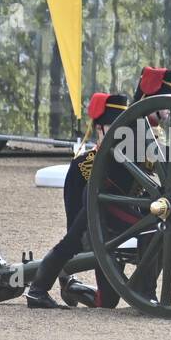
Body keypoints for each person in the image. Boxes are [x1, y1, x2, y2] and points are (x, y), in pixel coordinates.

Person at [26, 92, 129, 309]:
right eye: (112, 127)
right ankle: (37, 291)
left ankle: (72, 288)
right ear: (100, 128)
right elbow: (73, 200)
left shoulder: (128, 156)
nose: (118, 134)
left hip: (115, 227)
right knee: (69, 244)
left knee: (109, 303)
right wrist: (77, 233)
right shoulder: (84, 163)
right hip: (90, 219)